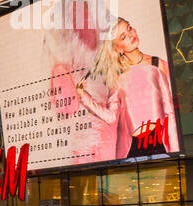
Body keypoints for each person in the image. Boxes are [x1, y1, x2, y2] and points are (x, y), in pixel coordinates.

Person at [76, 16, 177, 159]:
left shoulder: (157, 64)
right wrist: (83, 95)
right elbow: (111, 116)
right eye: (123, 37)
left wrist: (175, 150)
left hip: (160, 143)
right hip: (133, 148)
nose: (131, 35)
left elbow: (170, 111)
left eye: (129, 28)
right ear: (118, 49)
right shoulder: (118, 77)